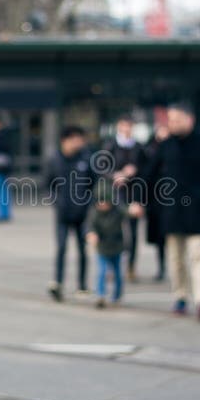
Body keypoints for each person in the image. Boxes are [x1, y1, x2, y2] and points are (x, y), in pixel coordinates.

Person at [143, 104, 200, 321]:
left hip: (197, 210)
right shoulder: (165, 145)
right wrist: (141, 201)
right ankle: (180, 296)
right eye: (171, 120)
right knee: (176, 258)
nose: (173, 124)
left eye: (177, 120)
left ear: (190, 119)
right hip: (170, 211)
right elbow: (148, 174)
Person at [45, 125, 95, 302]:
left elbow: (93, 184)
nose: (78, 143)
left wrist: (89, 205)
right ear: (64, 141)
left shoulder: (86, 159)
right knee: (61, 248)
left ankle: (82, 285)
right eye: (74, 139)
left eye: (80, 139)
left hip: (82, 214)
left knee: (83, 250)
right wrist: (56, 202)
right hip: (62, 214)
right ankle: (57, 283)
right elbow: (49, 184)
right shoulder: (55, 159)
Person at [86, 183, 143, 309]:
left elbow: (127, 211)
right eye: (100, 202)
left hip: (117, 247)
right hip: (102, 247)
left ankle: (117, 295)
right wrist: (91, 234)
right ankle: (100, 295)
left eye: (105, 202)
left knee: (118, 274)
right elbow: (90, 226)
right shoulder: (94, 212)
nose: (102, 205)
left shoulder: (117, 209)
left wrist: (133, 211)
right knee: (101, 272)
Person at [102, 115, 144, 282]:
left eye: (129, 126)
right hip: (115, 195)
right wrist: (115, 176)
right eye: (123, 126)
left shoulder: (139, 148)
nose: (126, 129)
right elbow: (102, 169)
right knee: (113, 231)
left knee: (133, 233)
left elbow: (147, 169)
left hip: (133, 194)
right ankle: (113, 266)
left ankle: (131, 267)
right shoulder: (110, 146)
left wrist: (135, 170)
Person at [143, 124, 170, 281]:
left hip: (172, 200)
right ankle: (161, 267)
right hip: (156, 200)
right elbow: (146, 175)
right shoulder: (150, 149)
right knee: (159, 238)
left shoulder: (174, 147)